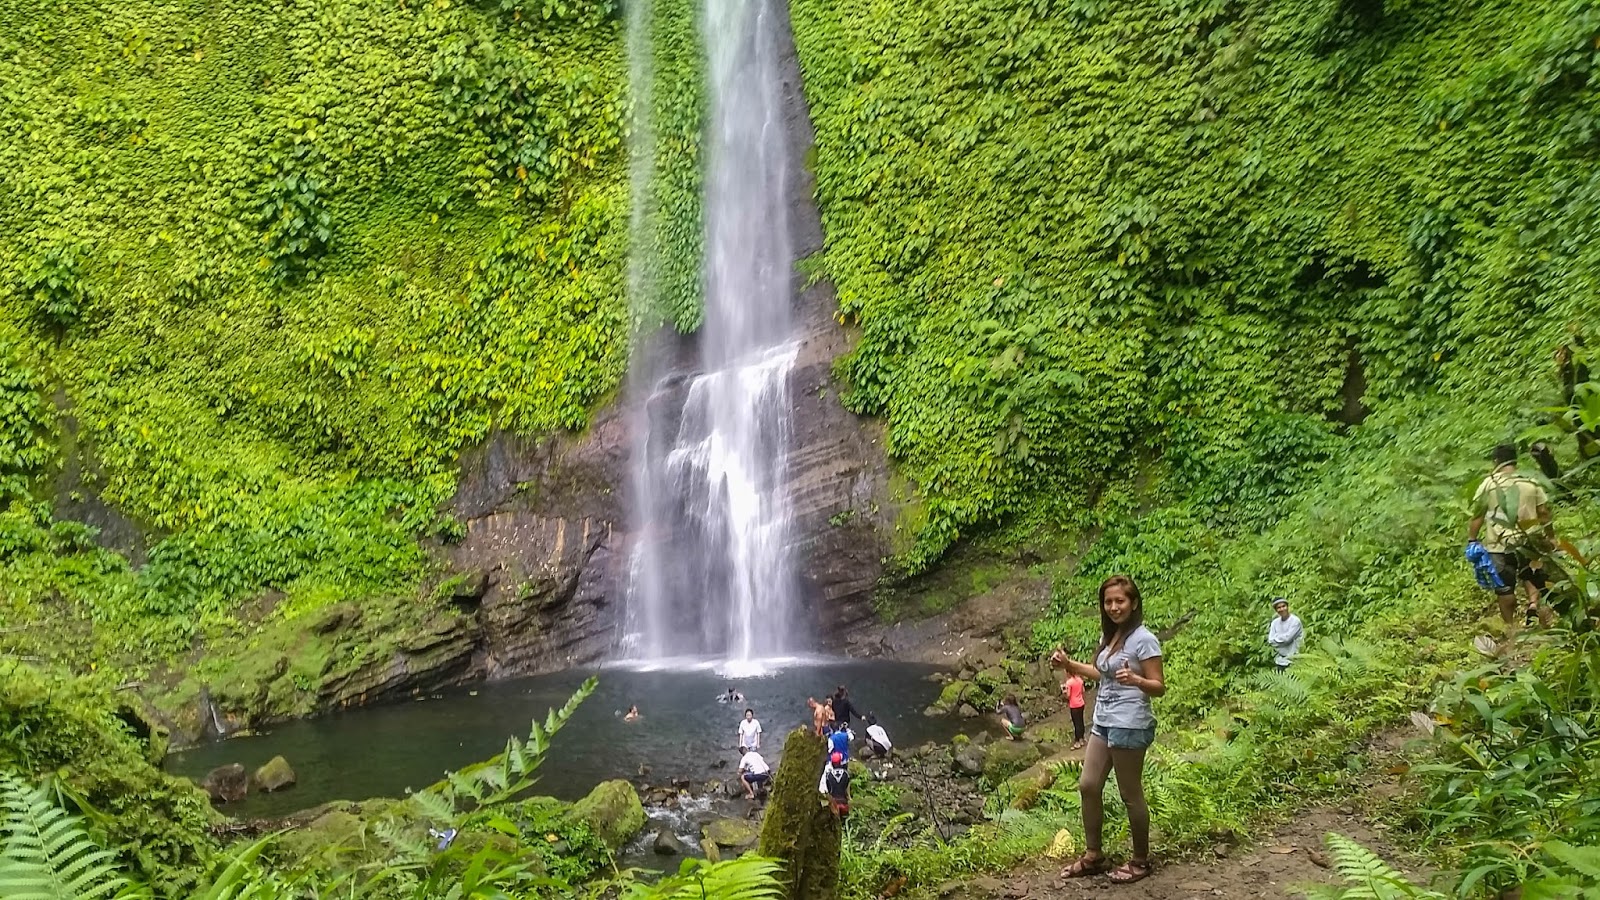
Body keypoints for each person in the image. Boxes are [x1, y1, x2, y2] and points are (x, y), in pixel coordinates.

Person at [1050, 575, 1165, 885]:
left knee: (1130, 794)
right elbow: (1101, 674)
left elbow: (1158, 686)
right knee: (1088, 785)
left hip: (1130, 724)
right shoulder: (1111, 637)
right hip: (1103, 721)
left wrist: (1138, 681)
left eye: (1120, 601)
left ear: (1134, 603)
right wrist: (1068, 664)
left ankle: (1140, 861)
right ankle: (1093, 855)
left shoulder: (1144, 639)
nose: (1114, 607)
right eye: (1108, 602)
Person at [1468, 444, 1555, 627]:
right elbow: (1544, 512)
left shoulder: (1489, 484)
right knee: (1531, 574)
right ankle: (1533, 604)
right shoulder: (1530, 481)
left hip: (1499, 544)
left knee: (1504, 587)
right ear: (1515, 461)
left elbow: (1478, 515)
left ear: (1496, 462)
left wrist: (1472, 540)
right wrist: (1550, 536)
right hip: (1529, 539)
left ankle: (1511, 629)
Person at [1266, 597, 1304, 671]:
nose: (1282, 609)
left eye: (1283, 606)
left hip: (1294, 659)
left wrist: (1276, 637)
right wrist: (1282, 639)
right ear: (1276, 610)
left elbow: (1287, 639)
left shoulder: (1295, 621)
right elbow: (1270, 640)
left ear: (1287, 607)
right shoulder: (1274, 623)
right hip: (1280, 660)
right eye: (1279, 607)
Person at [818, 750, 850, 817]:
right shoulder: (845, 774)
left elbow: (829, 790)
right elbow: (847, 789)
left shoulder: (828, 775)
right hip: (844, 802)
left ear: (832, 763)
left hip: (834, 804)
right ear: (840, 762)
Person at [1062, 673, 1087, 750]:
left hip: (1074, 705)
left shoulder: (1069, 682)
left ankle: (1077, 741)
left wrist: (1064, 692)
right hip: (1081, 703)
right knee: (1081, 721)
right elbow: (1083, 691)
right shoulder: (1080, 680)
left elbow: (1068, 695)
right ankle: (1082, 739)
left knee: (1076, 723)